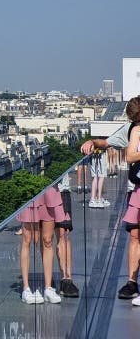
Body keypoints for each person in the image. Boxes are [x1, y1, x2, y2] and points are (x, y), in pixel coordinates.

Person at [81, 97, 140, 299]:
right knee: (134, 234)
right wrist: (92, 142)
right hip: (137, 187)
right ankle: (132, 282)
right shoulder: (132, 129)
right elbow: (106, 143)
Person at [17, 186, 65, 304]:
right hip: (31, 185)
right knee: (27, 239)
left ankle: (48, 288)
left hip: (48, 189)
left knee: (48, 240)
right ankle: (26, 288)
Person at [55, 167, 79, 297]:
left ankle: (66, 277)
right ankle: (53, 279)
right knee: (47, 238)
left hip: (63, 189)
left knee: (64, 233)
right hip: (44, 188)